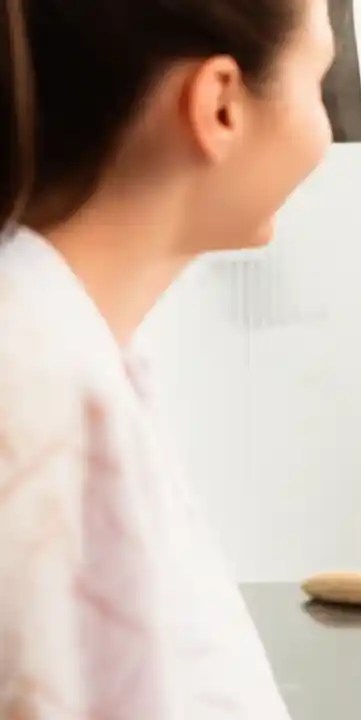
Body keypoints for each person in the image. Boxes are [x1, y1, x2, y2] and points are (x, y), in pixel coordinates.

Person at [0, 0, 335, 716]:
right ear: (218, 105)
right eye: (318, 82)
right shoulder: (36, 390)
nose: (327, 132)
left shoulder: (74, 352)